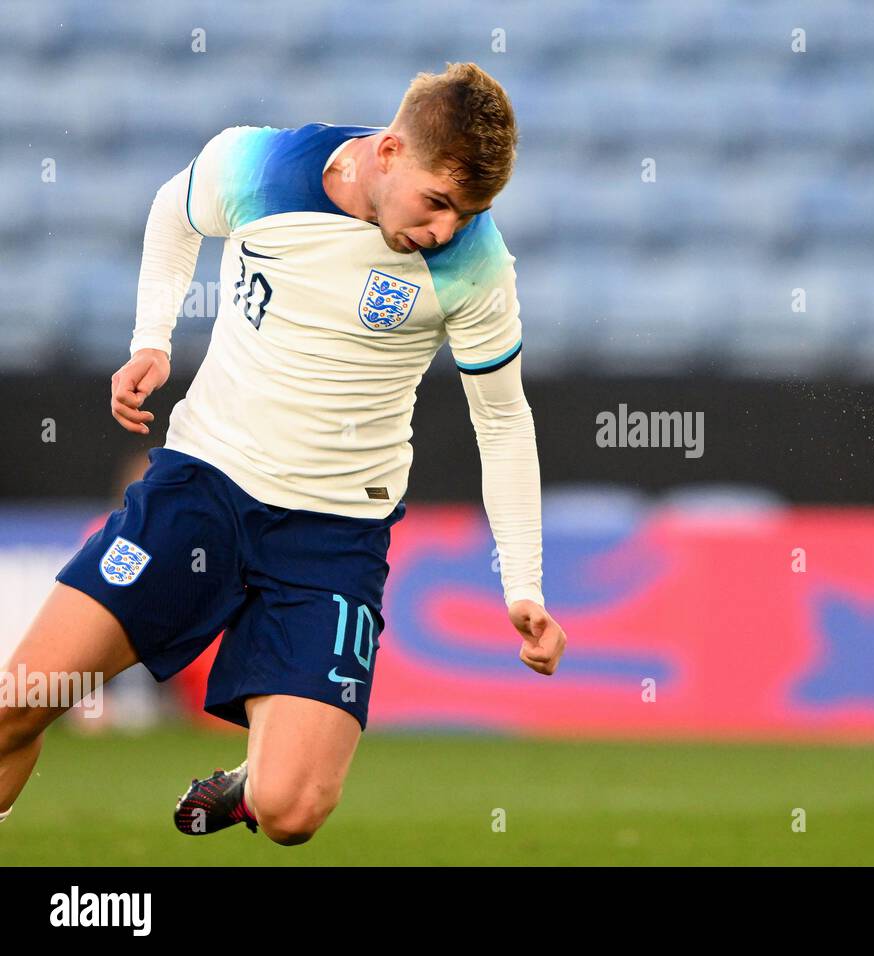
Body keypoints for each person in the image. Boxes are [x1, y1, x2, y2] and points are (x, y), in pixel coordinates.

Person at [0, 62, 566, 845]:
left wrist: (525, 583)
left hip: (331, 537)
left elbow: (503, 424)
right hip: (204, 487)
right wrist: (151, 341)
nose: (446, 229)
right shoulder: (263, 164)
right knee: (17, 704)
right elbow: (175, 208)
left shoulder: (476, 266)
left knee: (292, 813)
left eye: (469, 213)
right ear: (391, 151)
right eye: (438, 203)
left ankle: (251, 783)